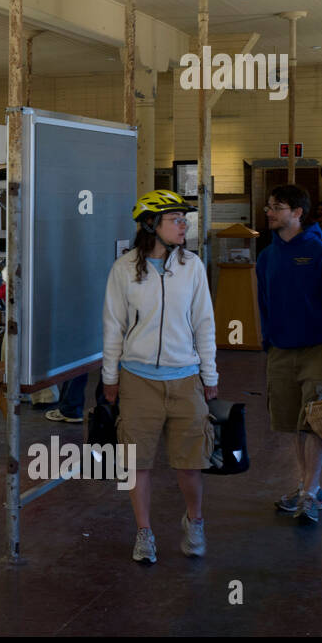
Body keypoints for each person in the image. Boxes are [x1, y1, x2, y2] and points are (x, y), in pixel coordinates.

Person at [102, 190, 219, 564]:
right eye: (176, 219)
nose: (184, 225)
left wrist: (209, 373)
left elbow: (204, 323)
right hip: (138, 380)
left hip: (186, 378)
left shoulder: (192, 266)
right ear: (151, 225)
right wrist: (109, 377)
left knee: (190, 463)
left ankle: (195, 520)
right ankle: (144, 532)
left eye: (185, 219)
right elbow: (113, 327)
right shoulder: (123, 269)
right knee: (137, 464)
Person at [257, 183, 322, 526]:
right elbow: (264, 303)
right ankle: (306, 485)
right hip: (281, 351)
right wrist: (268, 342)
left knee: (316, 422)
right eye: (269, 205)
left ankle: (310, 494)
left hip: (320, 350)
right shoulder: (266, 256)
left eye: (277, 207)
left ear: (297, 213)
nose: (269, 211)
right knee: (296, 423)